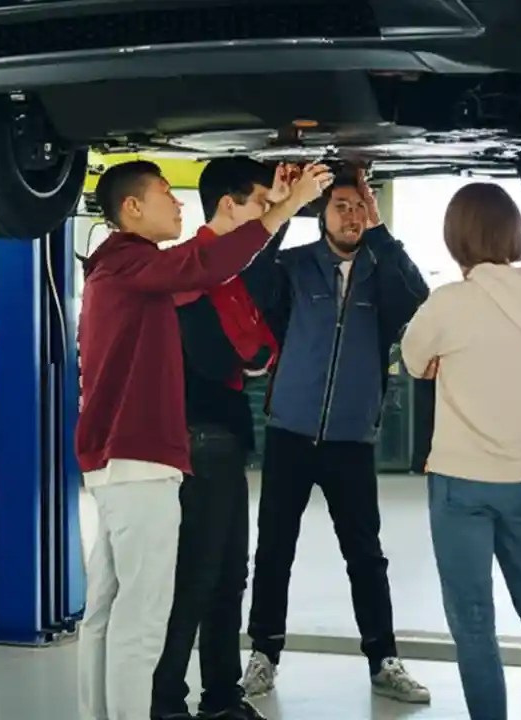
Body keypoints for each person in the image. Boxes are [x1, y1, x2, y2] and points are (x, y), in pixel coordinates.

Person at [76, 159, 332, 720]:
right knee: (141, 619)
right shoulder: (131, 263)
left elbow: (211, 260)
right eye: (167, 193)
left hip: (123, 462)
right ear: (132, 209)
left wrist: (275, 213)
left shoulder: (121, 270)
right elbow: (206, 261)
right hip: (141, 462)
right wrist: (287, 208)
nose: (179, 203)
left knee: (106, 612)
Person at [242, 170, 433, 704]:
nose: (350, 215)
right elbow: (252, 282)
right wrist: (280, 213)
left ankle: (383, 658)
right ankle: (263, 654)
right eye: (341, 205)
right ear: (321, 213)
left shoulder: (381, 268)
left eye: (358, 206)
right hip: (290, 431)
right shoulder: (296, 265)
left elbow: (420, 301)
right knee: (275, 549)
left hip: (352, 438)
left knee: (365, 554)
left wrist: (383, 234)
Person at [400, 182, 521, 720]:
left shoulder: (451, 302)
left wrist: (441, 360)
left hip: (459, 480)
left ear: (457, 237)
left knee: (473, 620)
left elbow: (414, 360)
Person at [149, 158, 303, 720]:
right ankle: (166, 703)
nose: (269, 216)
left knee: (227, 578)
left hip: (223, 441)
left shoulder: (229, 274)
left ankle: (221, 698)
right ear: (229, 206)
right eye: (261, 205)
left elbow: (254, 269)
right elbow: (222, 354)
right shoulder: (192, 272)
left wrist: (283, 206)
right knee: (196, 578)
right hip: (198, 440)